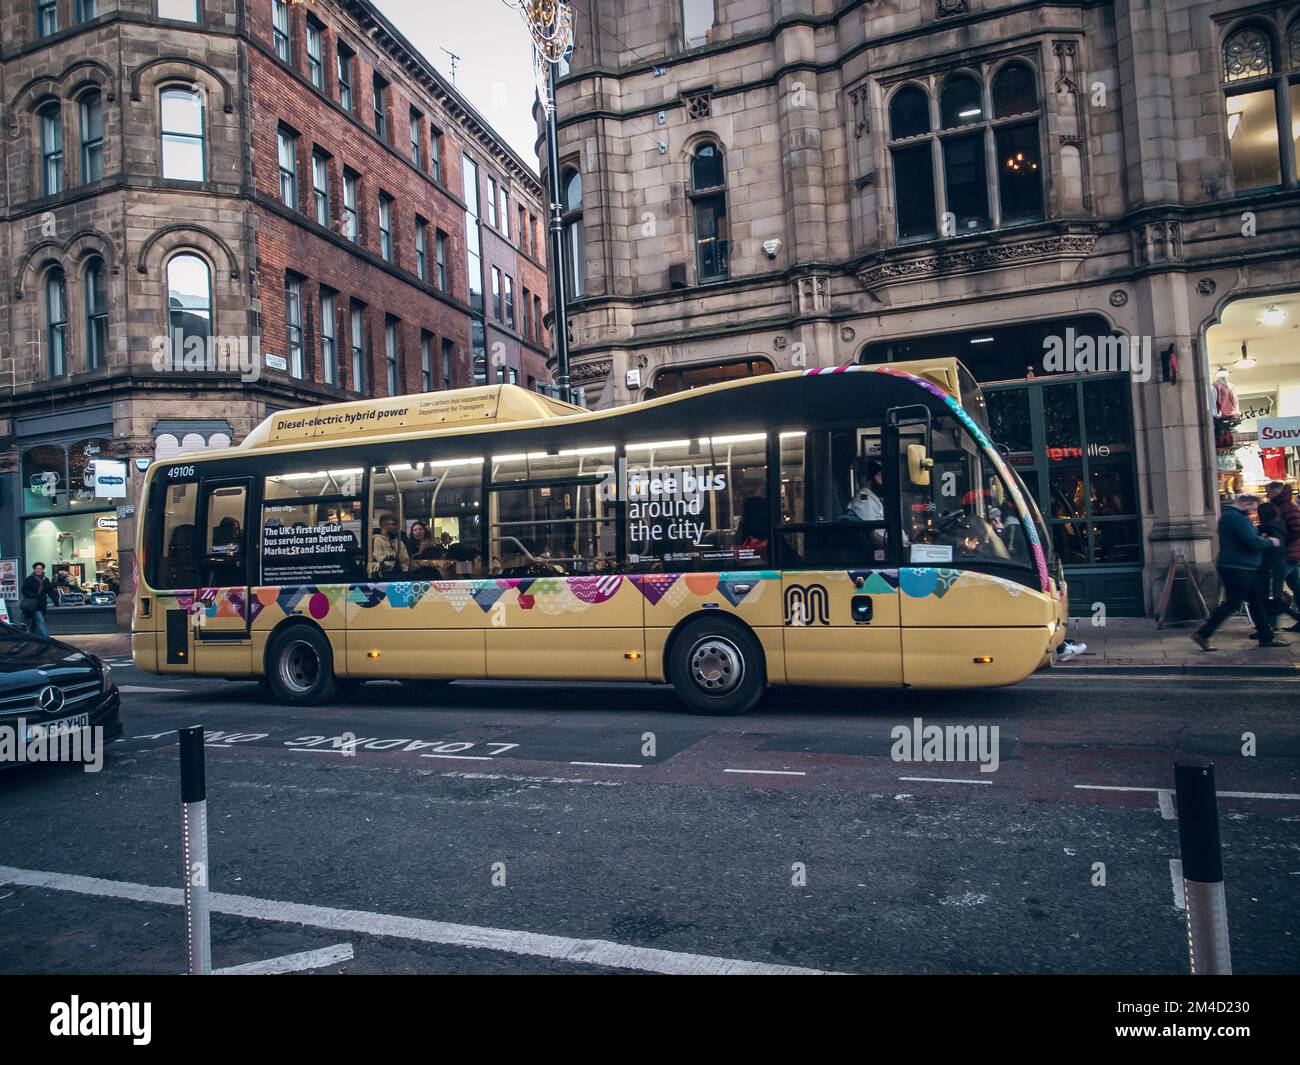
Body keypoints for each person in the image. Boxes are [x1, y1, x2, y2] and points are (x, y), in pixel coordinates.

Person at [1194, 494, 1287, 650]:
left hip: (1244, 567)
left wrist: (1257, 534)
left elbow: (1248, 536)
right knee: (1233, 603)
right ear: (1245, 503)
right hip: (1236, 568)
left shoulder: (1235, 517)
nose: (1254, 512)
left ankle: (1266, 637)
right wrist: (1270, 541)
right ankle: (1203, 634)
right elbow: (1251, 542)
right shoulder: (1235, 518)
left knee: (1257, 602)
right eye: (1253, 508)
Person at [1250, 500, 1288, 638]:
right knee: (1269, 596)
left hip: (1271, 565)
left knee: (1271, 597)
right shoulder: (1277, 525)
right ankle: (1265, 628)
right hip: (1276, 563)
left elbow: (1261, 545)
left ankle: (1267, 628)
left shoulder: (1267, 528)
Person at [1265, 481, 1300, 631]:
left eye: (1269, 492)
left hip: (1287, 554)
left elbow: (1296, 529)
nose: (1267, 495)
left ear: (1276, 491)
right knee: (1296, 587)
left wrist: (1281, 542)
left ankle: (1270, 625)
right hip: (1289, 553)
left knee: (1273, 588)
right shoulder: (1281, 505)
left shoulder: (1287, 506)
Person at [368, 512, 410, 578]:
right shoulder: (377, 540)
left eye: (396, 525)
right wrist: (397, 557)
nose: (396, 527)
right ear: (383, 525)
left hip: (402, 574)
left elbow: (406, 559)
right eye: (393, 524)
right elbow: (379, 557)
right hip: (384, 576)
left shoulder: (398, 541)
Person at [20, 562, 53, 638]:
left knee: (34, 622)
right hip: (33, 604)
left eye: (40, 569)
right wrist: (33, 595)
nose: (39, 570)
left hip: (42, 604)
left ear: (43, 570)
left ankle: (35, 637)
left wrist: (56, 600)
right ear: (34, 569)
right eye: (37, 568)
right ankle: (46, 637)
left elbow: (50, 591)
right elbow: (24, 590)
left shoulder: (46, 580)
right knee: (40, 621)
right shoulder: (30, 579)